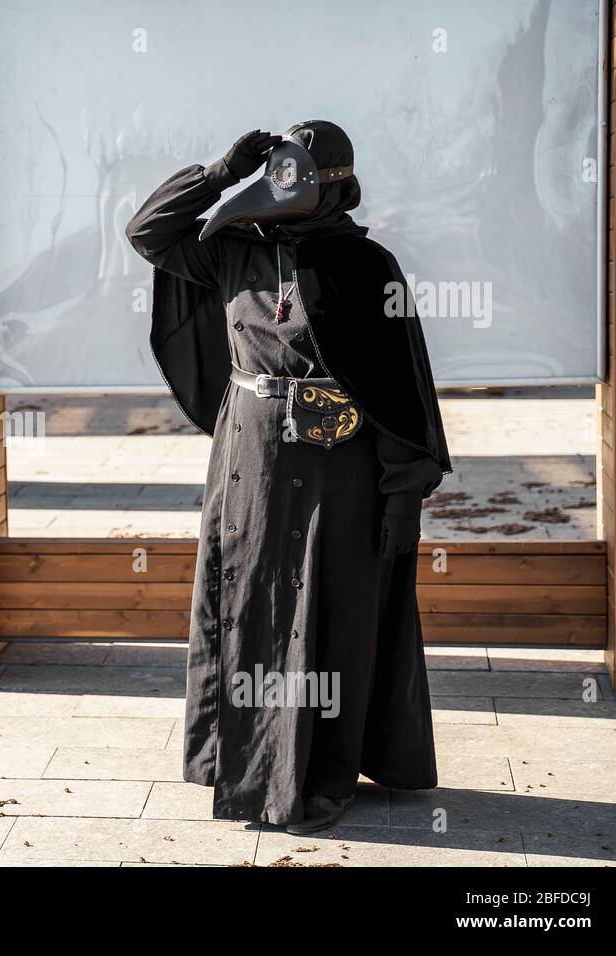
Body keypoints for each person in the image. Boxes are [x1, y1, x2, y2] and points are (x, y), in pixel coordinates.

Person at [125, 121, 451, 834]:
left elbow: (402, 387)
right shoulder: (235, 250)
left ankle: (320, 775)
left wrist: (403, 493)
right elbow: (148, 232)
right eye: (277, 170)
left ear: (332, 183)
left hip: (341, 472)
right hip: (250, 462)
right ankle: (236, 759)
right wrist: (218, 172)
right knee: (245, 601)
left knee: (331, 614)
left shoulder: (369, 269)